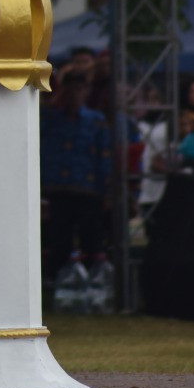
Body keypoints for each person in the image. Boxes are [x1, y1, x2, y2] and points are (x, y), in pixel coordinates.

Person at [41, 69, 112, 262]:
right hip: (57, 188)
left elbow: (104, 156)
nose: (75, 93)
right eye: (71, 89)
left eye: (80, 88)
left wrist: (106, 190)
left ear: (87, 90)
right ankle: (60, 274)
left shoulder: (96, 121)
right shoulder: (52, 118)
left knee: (91, 240)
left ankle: (91, 275)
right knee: (59, 241)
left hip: (88, 189)